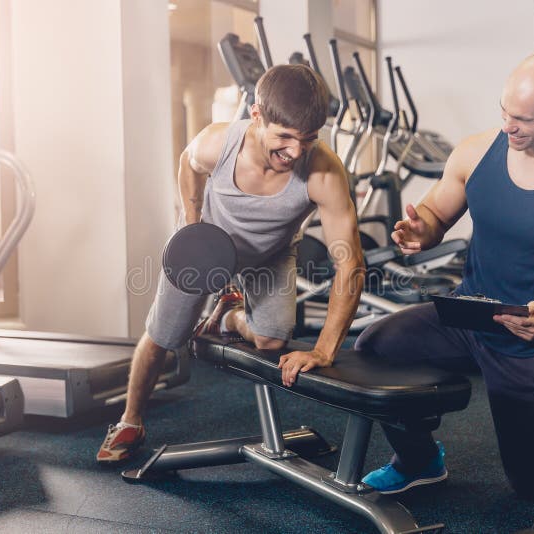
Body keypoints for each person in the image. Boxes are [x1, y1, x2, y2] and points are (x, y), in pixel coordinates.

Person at [355, 53, 534, 498]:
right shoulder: (476, 151)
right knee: (375, 347)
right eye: (504, 112)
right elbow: (435, 211)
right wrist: (419, 230)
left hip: (526, 338)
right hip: (467, 316)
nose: (508, 126)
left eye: (523, 119)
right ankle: (419, 460)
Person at [97, 64, 365, 462]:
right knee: (163, 337)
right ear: (257, 116)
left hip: (270, 253)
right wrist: (192, 226)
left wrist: (324, 350)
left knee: (272, 340)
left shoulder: (323, 171)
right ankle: (130, 419)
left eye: (306, 140)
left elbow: (351, 265)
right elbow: (189, 163)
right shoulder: (217, 143)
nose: (295, 151)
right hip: (206, 245)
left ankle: (228, 316)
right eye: (285, 137)